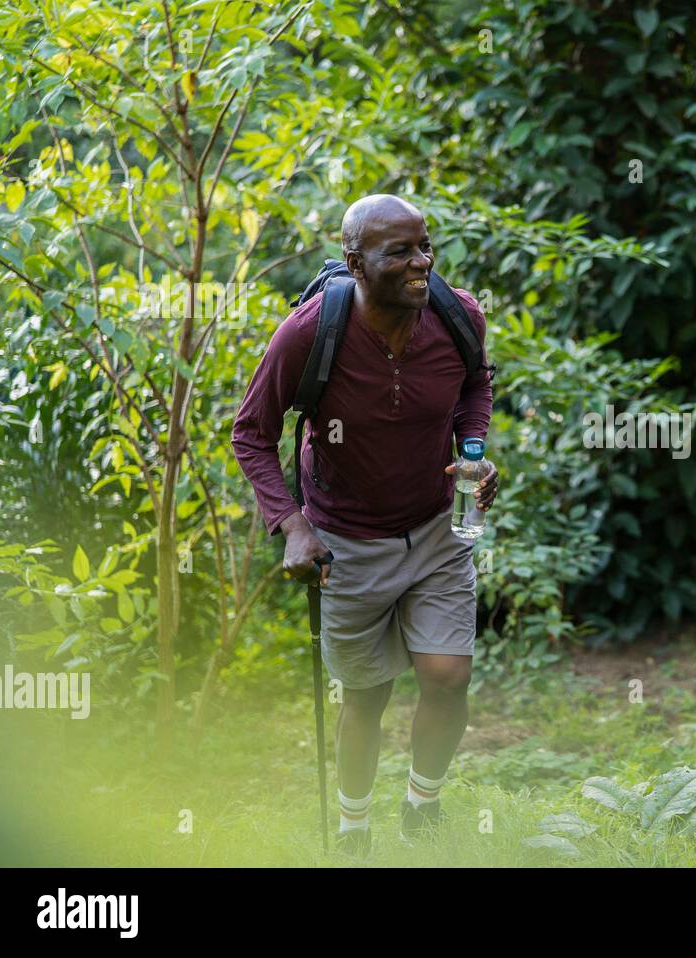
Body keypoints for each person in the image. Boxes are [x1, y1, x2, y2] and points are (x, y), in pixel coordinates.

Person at [231, 194, 497, 857]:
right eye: (400, 252)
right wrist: (291, 527)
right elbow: (251, 433)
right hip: (345, 541)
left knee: (447, 675)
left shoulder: (456, 315)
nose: (421, 263)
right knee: (368, 695)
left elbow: (475, 387)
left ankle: (421, 811)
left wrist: (471, 454)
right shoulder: (310, 333)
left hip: (437, 530)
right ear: (354, 261)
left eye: (425, 246)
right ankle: (353, 829)